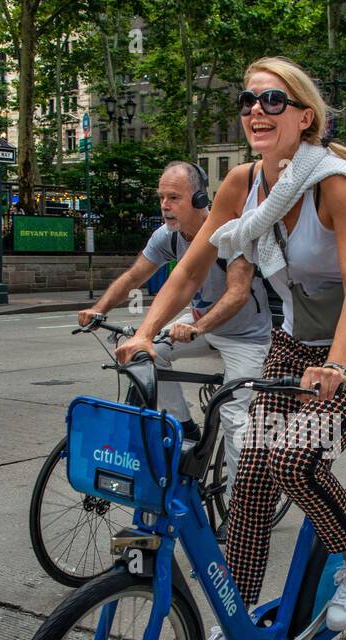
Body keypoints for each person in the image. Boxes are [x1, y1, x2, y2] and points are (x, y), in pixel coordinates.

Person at [115, 56, 346, 640]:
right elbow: (193, 268)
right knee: (250, 480)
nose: (256, 109)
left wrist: (337, 363)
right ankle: (238, 620)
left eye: (273, 100)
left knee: (295, 458)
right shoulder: (242, 187)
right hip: (293, 343)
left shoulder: (331, 184)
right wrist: (146, 332)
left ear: (305, 118)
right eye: (248, 99)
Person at [78, 160, 272, 507]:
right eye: (161, 197)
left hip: (246, 337)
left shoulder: (233, 232)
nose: (165, 205)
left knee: (233, 420)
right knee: (150, 355)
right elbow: (135, 276)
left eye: (174, 197)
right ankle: (184, 428)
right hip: (198, 326)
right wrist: (100, 309)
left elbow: (238, 293)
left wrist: (197, 327)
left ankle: (242, 512)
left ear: (199, 200)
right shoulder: (168, 236)